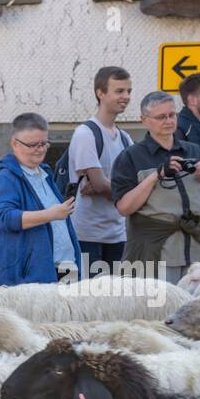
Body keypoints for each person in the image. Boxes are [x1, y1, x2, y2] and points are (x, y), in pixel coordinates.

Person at [111, 91, 200, 283]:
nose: (168, 121)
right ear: (144, 120)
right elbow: (124, 207)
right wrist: (157, 175)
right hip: (158, 252)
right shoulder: (131, 156)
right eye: (161, 117)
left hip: (198, 253)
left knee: (197, 310)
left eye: (172, 115)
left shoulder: (194, 150)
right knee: (157, 310)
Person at [0, 113, 80, 286]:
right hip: (29, 282)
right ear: (14, 143)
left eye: (44, 143)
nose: (40, 149)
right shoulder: (4, 177)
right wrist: (50, 214)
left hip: (61, 270)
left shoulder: (44, 172)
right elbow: (4, 218)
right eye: (32, 145)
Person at [67, 66, 134, 276]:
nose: (126, 97)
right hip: (87, 235)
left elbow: (135, 183)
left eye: (129, 91)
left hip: (117, 233)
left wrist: (105, 185)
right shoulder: (86, 133)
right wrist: (107, 186)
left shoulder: (125, 138)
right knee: (90, 300)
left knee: (113, 300)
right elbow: (100, 184)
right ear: (100, 93)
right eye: (119, 91)